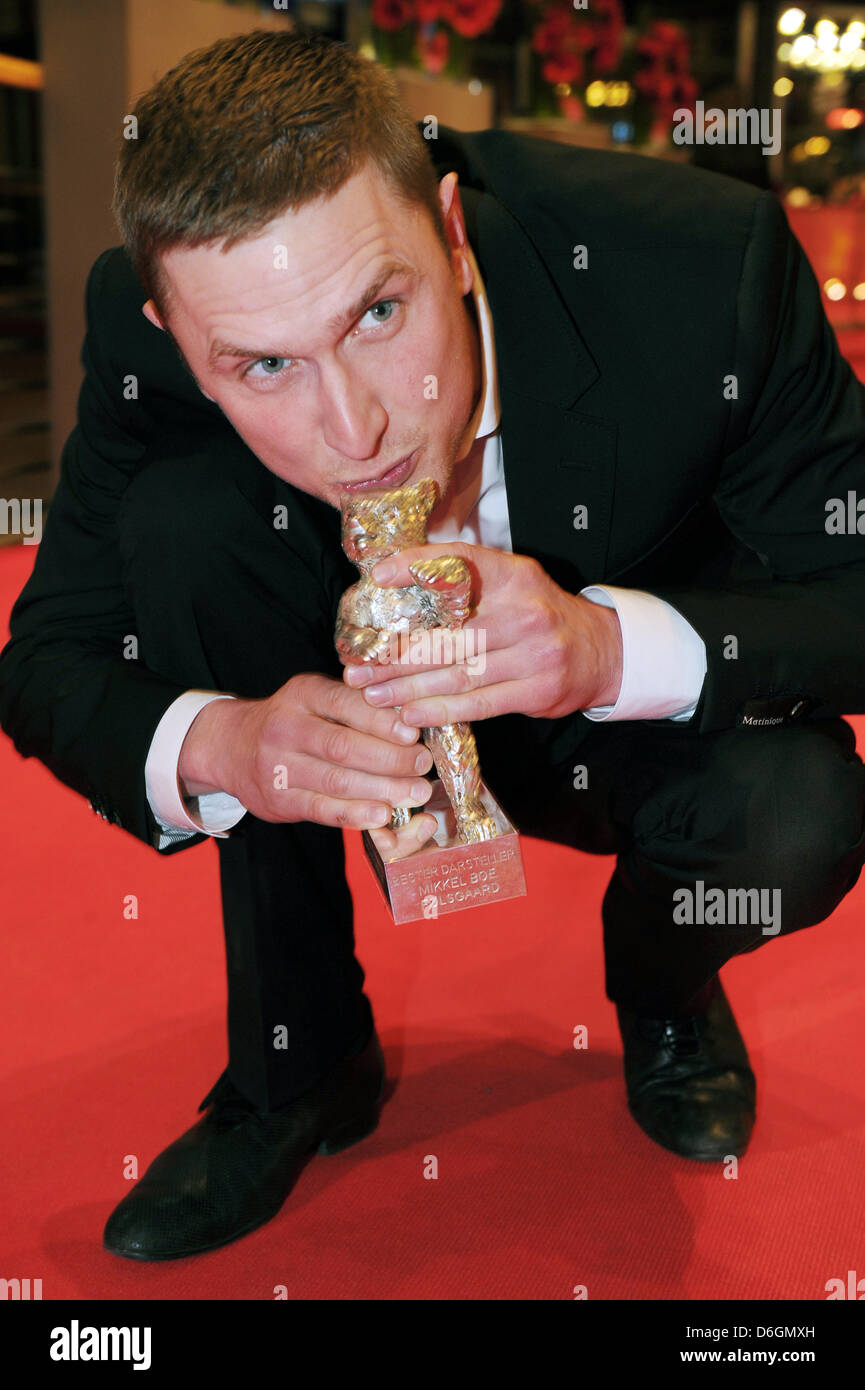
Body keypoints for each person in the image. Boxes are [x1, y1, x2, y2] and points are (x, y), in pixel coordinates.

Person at [1, 26, 864, 1263]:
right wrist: (234, 745)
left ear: (453, 233)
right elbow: (48, 657)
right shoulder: (150, 331)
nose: (351, 430)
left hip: (616, 720)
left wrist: (607, 649)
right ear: (172, 329)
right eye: (259, 366)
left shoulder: (697, 265)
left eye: (378, 313)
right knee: (185, 526)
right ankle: (299, 1066)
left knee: (796, 812)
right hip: (335, 706)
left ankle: (663, 992)